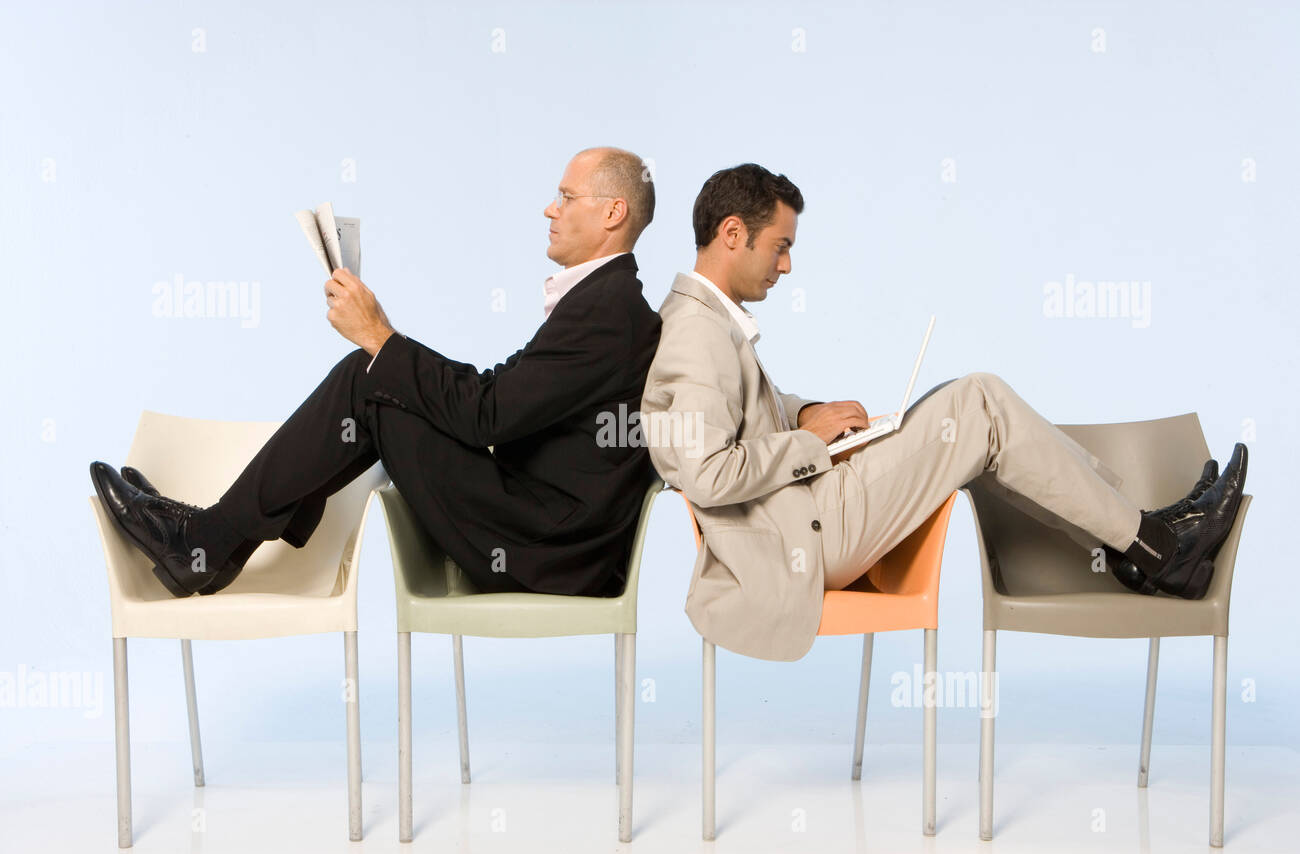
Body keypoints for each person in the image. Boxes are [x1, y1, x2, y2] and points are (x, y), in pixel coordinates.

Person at [641, 163, 1247, 662]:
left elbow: (746, 415)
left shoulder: (708, 319)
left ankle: (1142, 537)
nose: (787, 265)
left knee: (969, 406)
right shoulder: (695, 331)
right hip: (802, 537)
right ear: (731, 233)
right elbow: (706, 473)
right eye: (780, 246)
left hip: (807, 512)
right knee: (977, 403)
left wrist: (808, 412)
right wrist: (813, 444)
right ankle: (1153, 547)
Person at [91, 147, 662, 599]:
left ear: (613, 212)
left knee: (370, 376)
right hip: (544, 530)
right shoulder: (604, 302)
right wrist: (384, 342)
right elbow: (499, 392)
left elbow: (489, 416)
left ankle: (207, 543)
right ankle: (214, 543)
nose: (549, 208)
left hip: (544, 547)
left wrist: (382, 340)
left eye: (566, 196)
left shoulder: (609, 312)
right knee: (374, 375)